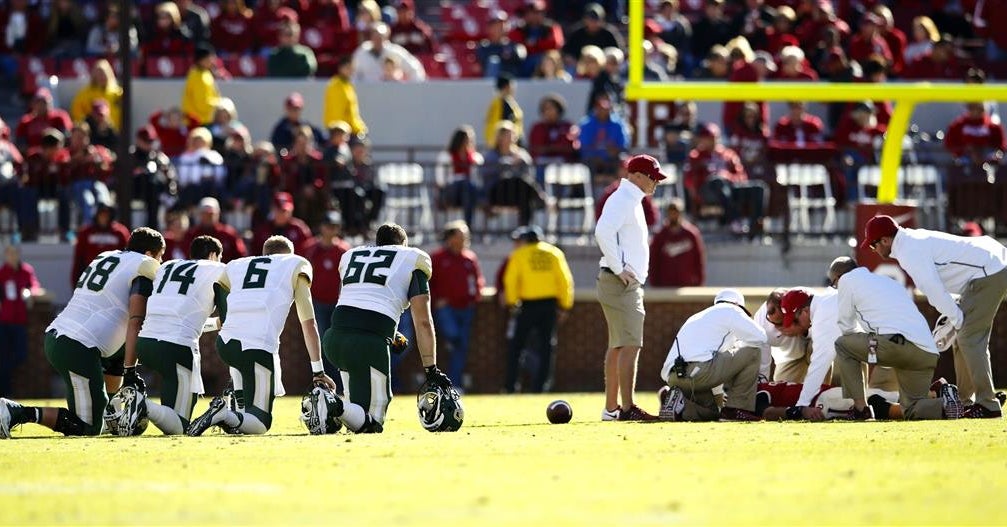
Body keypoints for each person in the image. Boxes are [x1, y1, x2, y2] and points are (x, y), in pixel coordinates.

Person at [0, 228, 163, 438]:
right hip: (77, 346)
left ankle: (106, 411)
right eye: (160, 255)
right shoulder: (144, 264)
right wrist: (131, 372)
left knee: (121, 350)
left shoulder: (106, 256)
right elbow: (138, 320)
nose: (161, 260)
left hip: (63, 336)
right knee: (88, 427)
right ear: (150, 254)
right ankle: (17, 412)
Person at [187, 235, 336, 436]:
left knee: (244, 412)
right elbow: (308, 323)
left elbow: (223, 306)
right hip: (257, 346)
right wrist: (318, 371)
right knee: (260, 422)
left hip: (226, 344)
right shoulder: (295, 264)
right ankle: (223, 414)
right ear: (288, 254)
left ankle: (232, 414)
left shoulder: (237, 265)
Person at [863, 215, 1006, 419]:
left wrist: (956, 318)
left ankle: (988, 405)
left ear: (885, 240)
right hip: (988, 266)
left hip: (989, 271)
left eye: (873, 245)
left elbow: (934, 290)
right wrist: (956, 317)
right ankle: (967, 402)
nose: (873, 250)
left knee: (969, 338)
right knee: (962, 338)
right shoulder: (909, 241)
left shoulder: (909, 251)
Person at [322, 223, 452, 433]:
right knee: (374, 421)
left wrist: (390, 333)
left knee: (359, 414)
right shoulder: (411, 258)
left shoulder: (352, 256)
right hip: (367, 343)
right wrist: (431, 369)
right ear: (403, 244)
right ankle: (331, 404)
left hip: (334, 338)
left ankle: (333, 408)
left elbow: (356, 299)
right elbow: (423, 321)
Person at [827, 256, 964, 421]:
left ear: (839, 277)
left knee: (842, 345)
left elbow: (846, 328)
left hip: (894, 346)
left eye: (834, 283)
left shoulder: (847, 280)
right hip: (926, 352)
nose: (836, 287)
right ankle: (945, 401)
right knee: (911, 409)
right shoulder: (887, 281)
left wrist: (867, 348)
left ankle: (861, 409)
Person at [595, 154, 665, 421]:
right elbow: (602, 231)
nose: (655, 183)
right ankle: (626, 408)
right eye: (653, 177)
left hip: (618, 282)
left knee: (618, 345)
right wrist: (618, 267)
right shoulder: (623, 199)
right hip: (620, 283)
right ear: (637, 175)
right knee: (630, 344)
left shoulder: (629, 199)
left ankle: (612, 409)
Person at [133, 236, 226, 435]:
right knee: (180, 424)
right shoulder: (216, 268)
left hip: (145, 341)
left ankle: (142, 407)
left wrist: (215, 323)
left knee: (171, 415)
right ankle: (142, 406)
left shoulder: (168, 266)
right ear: (212, 255)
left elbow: (180, 313)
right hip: (175, 347)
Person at [658, 289, 767, 421]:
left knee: (712, 412)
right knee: (752, 351)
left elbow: (713, 358)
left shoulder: (697, 317)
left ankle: (679, 405)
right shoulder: (731, 310)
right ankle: (736, 409)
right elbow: (761, 337)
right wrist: (739, 344)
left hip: (674, 378)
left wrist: (719, 399)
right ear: (738, 305)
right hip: (700, 373)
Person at [503, 225, 573, 393]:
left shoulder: (519, 254)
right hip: (549, 306)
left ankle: (512, 386)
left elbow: (510, 280)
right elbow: (565, 281)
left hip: (527, 305)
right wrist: (565, 306)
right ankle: (541, 386)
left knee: (517, 347)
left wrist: (512, 303)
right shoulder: (554, 253)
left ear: (526, 240)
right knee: (547, 347)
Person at [430, 221, 485, 388]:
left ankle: (453, 384)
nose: (464, 239)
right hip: (446, 308)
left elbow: (478, 280)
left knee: (461, 346)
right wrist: (436, 300)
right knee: (453, 337)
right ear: (450, 238)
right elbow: (427, 283)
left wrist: (475, 295)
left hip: (466, 308)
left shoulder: (470, 257)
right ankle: (448, 346)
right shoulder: (437, 258)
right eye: (460, 236)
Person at [777, 287, 841, 421]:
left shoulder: (824, 313)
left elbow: (819, 363)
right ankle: (861, 407)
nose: (796, 325)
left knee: (847, 352)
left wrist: (801, 405)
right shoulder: (825, 299)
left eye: (795, 320)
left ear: (806, 311)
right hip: (883, 331)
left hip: (886, 336)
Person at [304, 211, 351, 378]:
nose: (330, 230)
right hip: (316, 302)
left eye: (334, 226)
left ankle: (338, 378)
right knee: (321, 340)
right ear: (321, 227)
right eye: (327, 226)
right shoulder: (311, 249)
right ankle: (323, 377)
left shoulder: (343, 250)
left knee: (337, 340)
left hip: (337, 303)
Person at [481, 121, 544, 227]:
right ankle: (540, 197)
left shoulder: (521, 154)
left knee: (524, 196)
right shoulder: (491, 155)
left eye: (512, 134)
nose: (510, 138)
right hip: (497, 193)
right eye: (506, 135)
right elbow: (487, 173)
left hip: (515, 193)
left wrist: (520, 162)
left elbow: (529, 172)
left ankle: (524, 229)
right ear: (499, 137)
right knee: (519, 180)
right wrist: (509, 163)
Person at [0, 245, 41, 397]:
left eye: (14, 253)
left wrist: (30, 292)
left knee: (20, 355)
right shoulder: (2, 273)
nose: (12, 256)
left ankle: (6, 377)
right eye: (9, 253)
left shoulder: (26, 270)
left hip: (20, 322)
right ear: (5, 255)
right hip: (4, 322)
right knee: (3, 357)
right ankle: (5, 393)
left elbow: (35, 286)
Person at [754, 288, 809, 381]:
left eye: (781, 322)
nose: (777, 327)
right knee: (784, 391)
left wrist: (803, 330)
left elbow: (823, 333)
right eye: (774, 323)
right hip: (789, 358)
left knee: (820, 348)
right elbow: (763, 362)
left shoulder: (804, 301)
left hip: (812, 348)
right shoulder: (760, 324)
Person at [70, 203, 130, 288]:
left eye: (106, 215)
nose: (103, 218)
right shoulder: (86, 233)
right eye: (101, 215)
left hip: (113, 281)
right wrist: (75, 283)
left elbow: (127, 258)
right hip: (89, 280)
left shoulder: (120, 233)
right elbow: (78, 260)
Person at [648, 200, 705, 287]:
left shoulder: (691, 234)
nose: (674, 215)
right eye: (671, 212)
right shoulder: (660, 236)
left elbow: (699, 260)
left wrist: (699, 282)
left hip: (687, 285)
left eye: (676, 212)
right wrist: (654, 284)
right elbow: (654, 262)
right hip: (665, 287)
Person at [351, 22, 425, 82]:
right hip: (367, 95)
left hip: (392, 94)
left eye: (381, 36)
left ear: (386, 37)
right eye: (375, 36)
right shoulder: (361, 52)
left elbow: (414, 69)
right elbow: (353, 74)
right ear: (370, 37)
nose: (378, 39)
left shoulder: (395, 51)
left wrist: (412, 90)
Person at [507, 0, 564, 76]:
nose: (533, 15)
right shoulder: (519, 29)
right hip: (524, 61)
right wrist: (533, 46)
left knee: (539, 60)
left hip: (547, 59)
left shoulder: (551, 27)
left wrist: (535, 44)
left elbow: (556, 43)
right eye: (529, 12)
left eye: (536, 12)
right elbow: (515, 44)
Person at [441, 126, 483, 227]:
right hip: (452, 192)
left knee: (467, 188)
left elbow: (478, 180)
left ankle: (467, 226)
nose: (467, 143)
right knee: (464, 184)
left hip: (468, 192)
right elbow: (441, 180)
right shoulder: (447, 156)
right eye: (465, 140)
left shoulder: (476, 158)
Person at [183, 197, 248, 262]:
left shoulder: (229, 234)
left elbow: (241, 256)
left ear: (218, 214)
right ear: (200, 214)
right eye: (205, 214)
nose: (208, 217)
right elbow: (185, 257)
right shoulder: (191, 234)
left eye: (211, 214)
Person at [561, 3, 625, 66]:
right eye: (590, 19)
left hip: (604, 68)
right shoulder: (576, 33)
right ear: (584, 20)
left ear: (602, 20)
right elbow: (567, 52)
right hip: (580, 69)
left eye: (596, 20)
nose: (593, 23)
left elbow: (619, 51)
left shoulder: (609, 33)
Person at [251, 192, 313, 256]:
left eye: (284, 211)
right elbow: (254, 253)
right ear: (272, 209)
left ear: (291, 210)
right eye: (278, 210)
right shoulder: (263, 230)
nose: (282, 214)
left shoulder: (299, 229)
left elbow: (309, 252)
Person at [69, 59, 123, 131]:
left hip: (114, 132)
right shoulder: (84, 94)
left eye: (104, 73)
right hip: (92, 133)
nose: (101, 77)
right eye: (99, 74)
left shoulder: (117, 93)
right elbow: (77, 113)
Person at [528, 94, 579, 167]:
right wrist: (553, 148)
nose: (548, 112)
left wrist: (550, 148)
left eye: (551, 108)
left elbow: (571, 148)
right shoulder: (537, 127)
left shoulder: (568, 126)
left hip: (564, 166)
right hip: (541, 165)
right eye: (545, 109)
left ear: (558, 110)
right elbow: (535, 149)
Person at [322, 55, 368, 137]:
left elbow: (353, 113)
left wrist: (360, 128)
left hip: (350, 131)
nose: (351, 71)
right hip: (340, 133)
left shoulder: (348, 86)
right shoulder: (335, 86)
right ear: (340, 68)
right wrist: (339, 131)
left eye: (352, 68)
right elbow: (336, 114)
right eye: (348, 68)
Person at [477, 10, 525, 78]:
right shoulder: (484, 46)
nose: (499, 28)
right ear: (489, 28)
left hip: (511, 81)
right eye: (496, 25)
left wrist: (509, 56)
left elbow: (521, 56)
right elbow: (483, 59)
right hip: (493, 81)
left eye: (502, 24)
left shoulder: (514, 45)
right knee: (494, 61)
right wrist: (503, 55)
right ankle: (491, 87)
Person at [181, 44, 221, 125]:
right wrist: (219, 104)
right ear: (202, 60)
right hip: (198, 122)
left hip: (203, 120)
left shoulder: (204, 72)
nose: (213, 60)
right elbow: (202, 105)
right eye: (210, 58)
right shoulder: (198, 77)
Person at [484, 74, 524, 146]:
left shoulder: (510, 102)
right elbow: (496, 125)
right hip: (503, 144)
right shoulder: (499, 104)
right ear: (506, 86)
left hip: (512, 141)